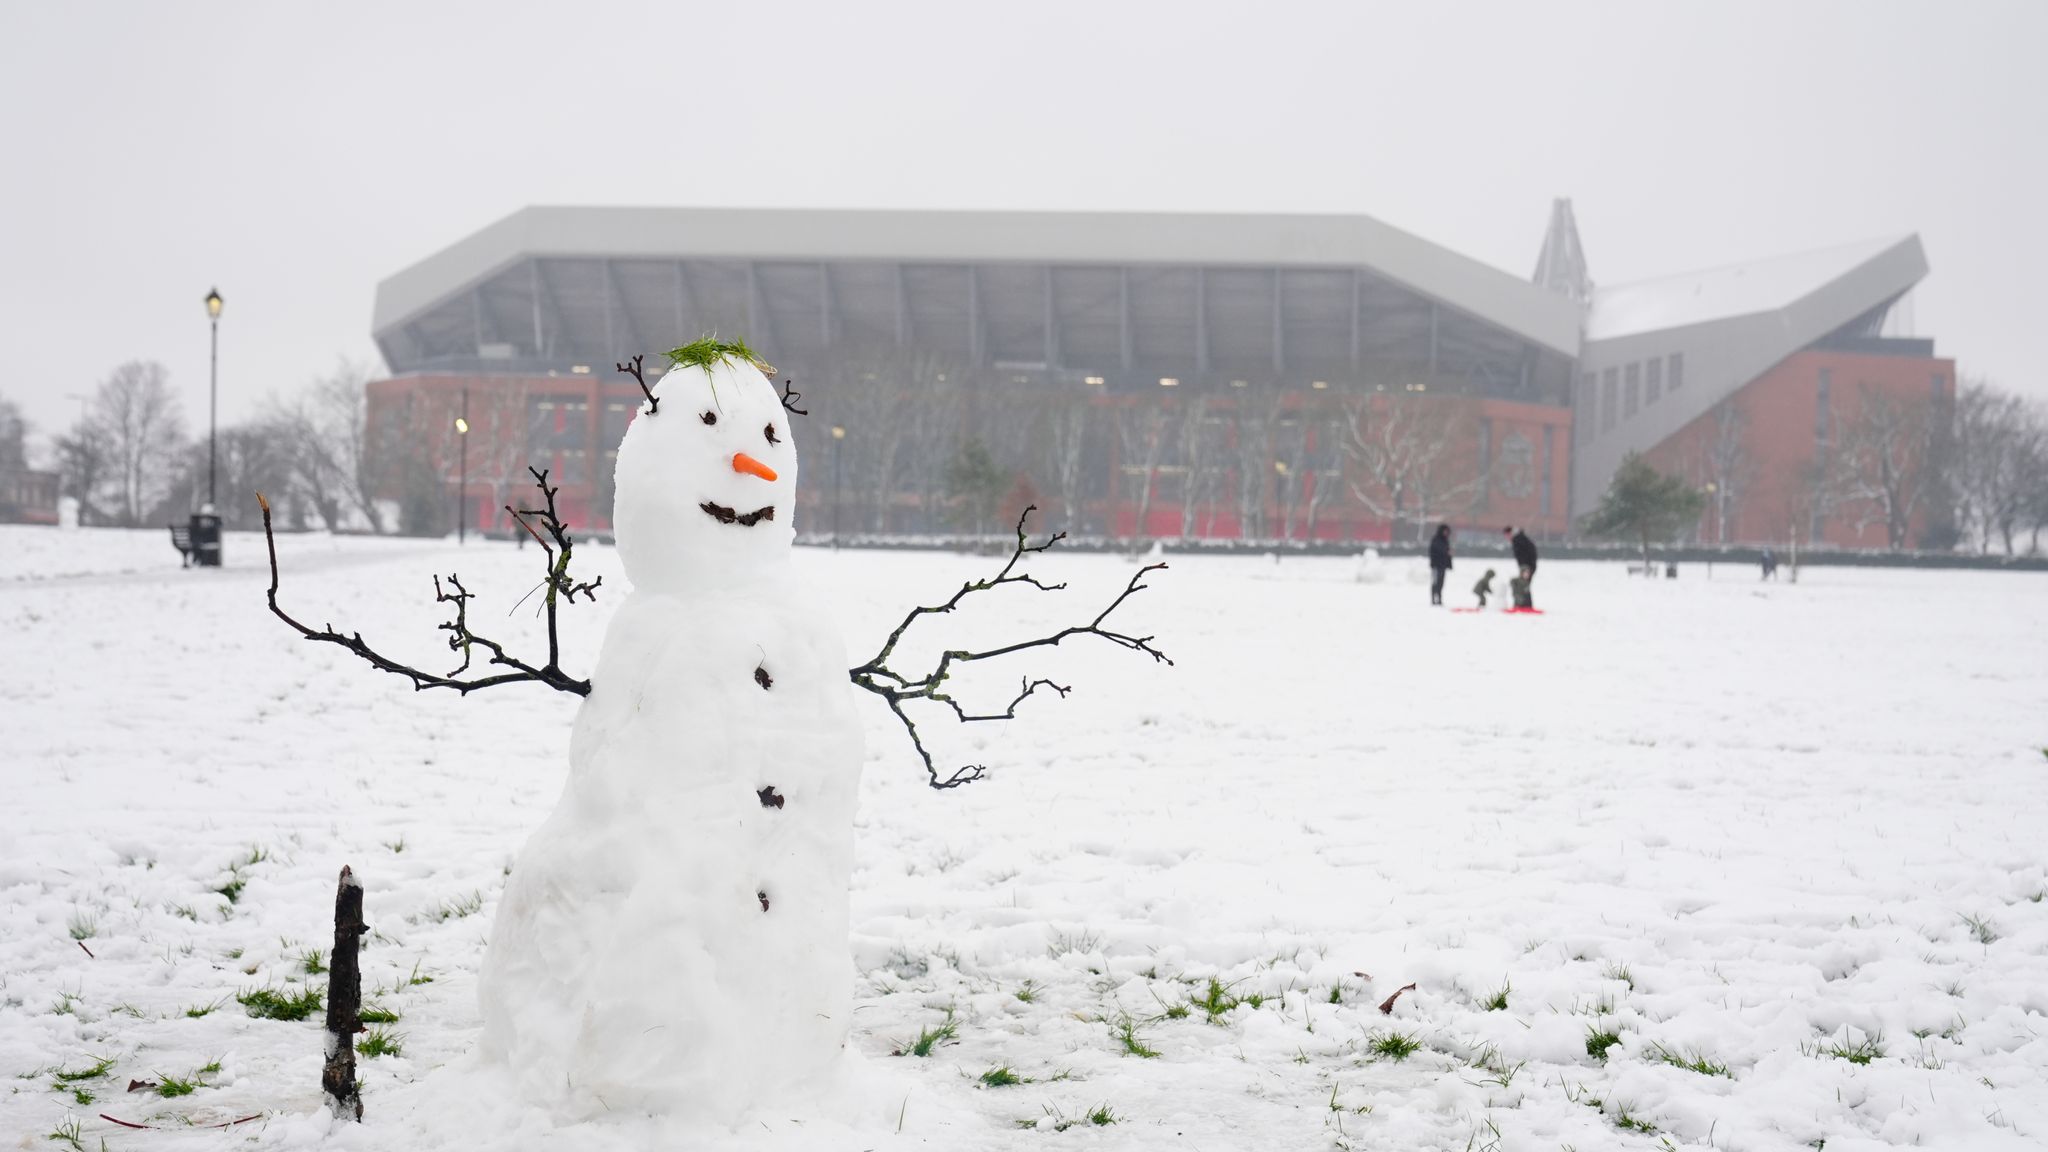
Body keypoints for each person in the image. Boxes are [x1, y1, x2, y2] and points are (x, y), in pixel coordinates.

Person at [1504, 525, 1538, 608]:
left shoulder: (1518, 539)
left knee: (1523, 585)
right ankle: (1524, 605)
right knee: (1523, 585)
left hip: (1526, 566)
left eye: (1506, 535)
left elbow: (1528, 553)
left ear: (1509, 533)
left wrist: (1526, 568)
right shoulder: (1519, 538)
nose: (1506, 538)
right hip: (1527, 566)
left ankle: (1525, 606)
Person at [1427, 523, 1453, 606]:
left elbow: (1447, 552)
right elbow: (1437, 550)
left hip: (1443, 565)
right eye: (1445, 531)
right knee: (1435, 582)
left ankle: (1439, 598)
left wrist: (1449, 563)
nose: (1446, 533)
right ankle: (1434, 598)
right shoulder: (1436, 539)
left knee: (1441, 583)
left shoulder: (1446, 540)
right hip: (1436, 565)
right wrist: (1446, 552)